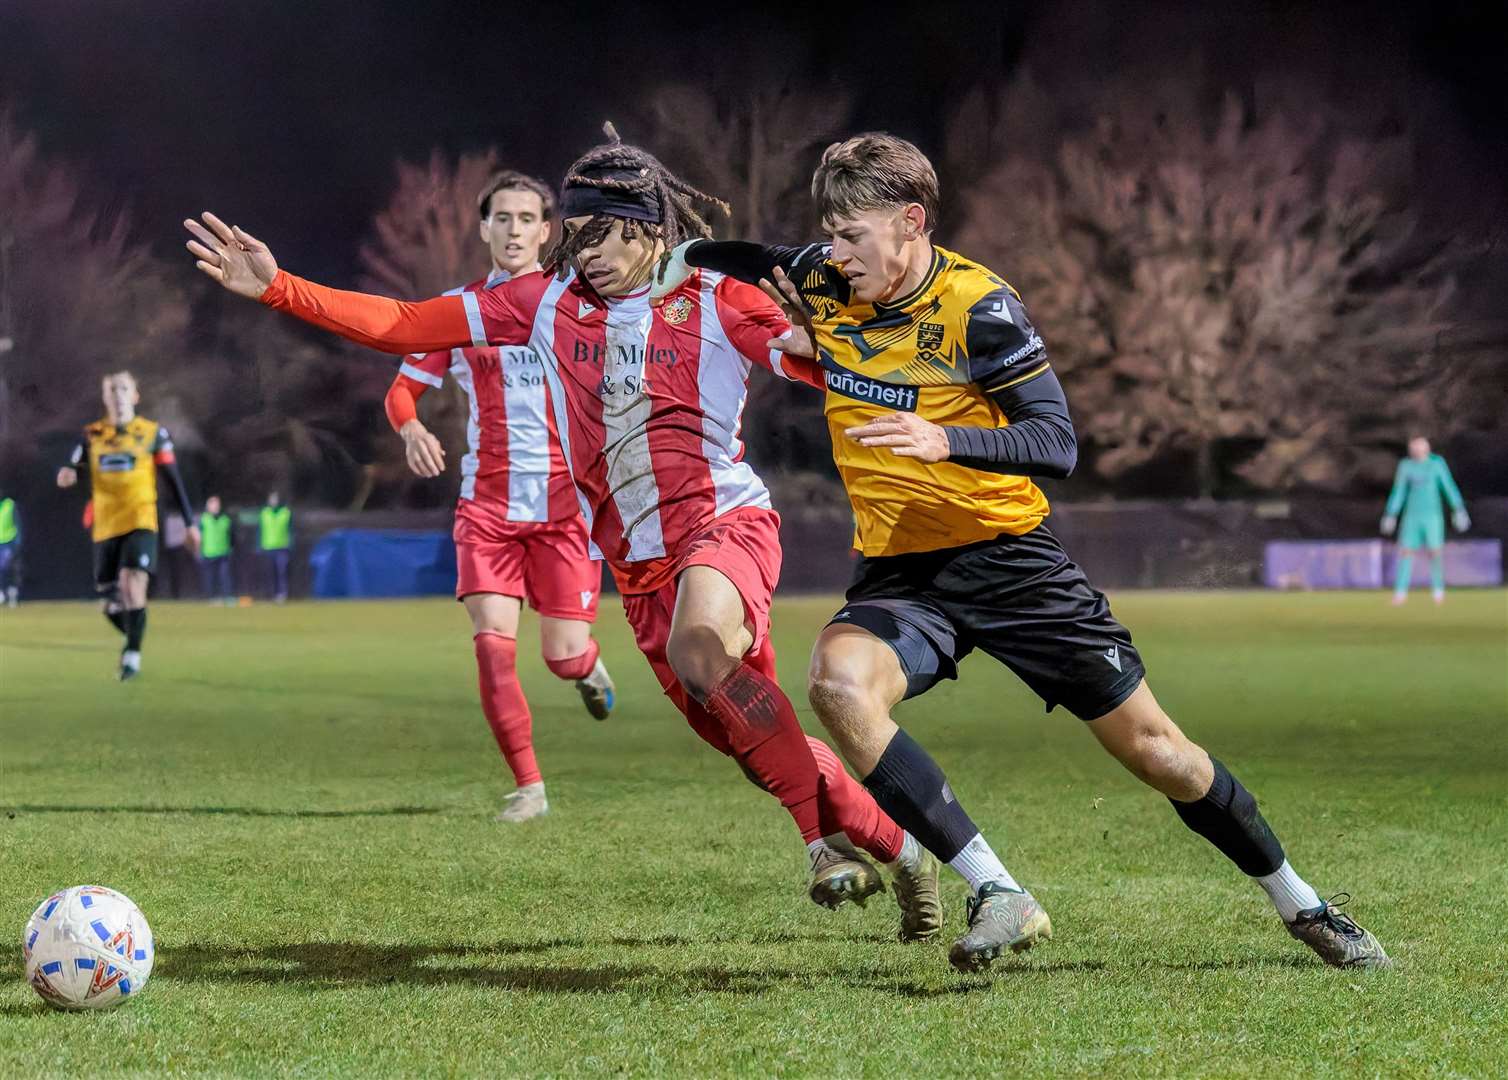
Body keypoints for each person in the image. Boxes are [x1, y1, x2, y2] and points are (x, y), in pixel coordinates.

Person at [183, 134, 941, 936]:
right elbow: (405, 323)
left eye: (611, 234)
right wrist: (280, 289)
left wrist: (820, 338)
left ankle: (820, 845)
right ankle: (905, 852)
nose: (594, 252)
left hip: (724, 523)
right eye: (579, 235)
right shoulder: (541, 301)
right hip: (638, 565)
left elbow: (821, 366)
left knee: (702, 654)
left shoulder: (718, 295)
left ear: (653, 228)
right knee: (746, 735)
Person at [667, 132, 1389, 972]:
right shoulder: (825, 277)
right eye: (829, 233)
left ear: (912, 223)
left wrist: (946, 439)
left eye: (854, 234)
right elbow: (747, 257)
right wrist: (675, 252)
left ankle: (1303, 905)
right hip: (904, 572)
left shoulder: (981, 307)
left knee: (1162, 754)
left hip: (1012, 563)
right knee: (837, 685)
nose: (836, 253)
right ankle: (997, 890)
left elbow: (1056, 441)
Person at [385, 168, 617, 822]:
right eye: (502, 219)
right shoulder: (462, 310)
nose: (514, 230)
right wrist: (409, 427)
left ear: (547, 231)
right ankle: (529, 787)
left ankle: (588, 668)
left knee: (562, 656)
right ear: (484, 228)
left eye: (526, 220)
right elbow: (401, 389)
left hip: (565, 512)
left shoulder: (578, 304)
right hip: (485, 511)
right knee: (492, 643)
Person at [57, 371, 200, 679]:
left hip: (141, 519)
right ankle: (133, 636)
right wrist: (68, 474)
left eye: (124, 389)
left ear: (135, 396)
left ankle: (132, 656)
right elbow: (72, 465)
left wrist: (190, 523)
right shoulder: (92, 434)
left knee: (133, 583)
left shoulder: (152, 434)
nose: (118, 395)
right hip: (106, 525)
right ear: (105, 398)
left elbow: (173, 480)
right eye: (112, 390)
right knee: (110, 603)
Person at [1381, 436, 1470, 605]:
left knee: (1435, 552)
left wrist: (1458, 508)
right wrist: (1391, 513)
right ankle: (1400, 592)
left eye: (1421, 448)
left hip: (1432, 516)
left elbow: (1448, 486)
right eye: (1414, 448)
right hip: (1412, 516)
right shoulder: (1406, 466)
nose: (1418, 451)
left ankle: (1438, 591)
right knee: (1406, 552)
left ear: (1427, 448)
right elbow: (1398, 491)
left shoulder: (1436, 464)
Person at [198, 494, 236, 604]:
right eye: (212, 504)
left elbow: (232, 536)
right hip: (208, 553)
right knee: (210, 578)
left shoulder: (226, 519)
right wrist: (199, 551)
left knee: (225, 576)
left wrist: (231, 549)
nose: (215, 507)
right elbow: (199, 537)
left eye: (216, 504)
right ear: (208, 507)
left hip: (223, 553)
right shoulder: (204, 520)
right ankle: (212, 598)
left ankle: (227, 597)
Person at [257, 492, 292, 602]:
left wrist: (290, 545)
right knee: (270, 572)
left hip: (282, 547)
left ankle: (282, 594)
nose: (274, 501)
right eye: (272, 499)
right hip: (268, 547)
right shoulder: (264, 513)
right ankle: (271, 594)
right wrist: (258, 545)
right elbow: (259, 531)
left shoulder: (286, 513)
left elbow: (292, 531)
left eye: (276, 499)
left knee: (282, 571)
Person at [0, 494, 19, 607]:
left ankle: (12, 594)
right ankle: (2, 594)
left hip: (8, 542)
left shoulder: (10, 504)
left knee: (7, 568)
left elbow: (17, 524)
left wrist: (16, 543)